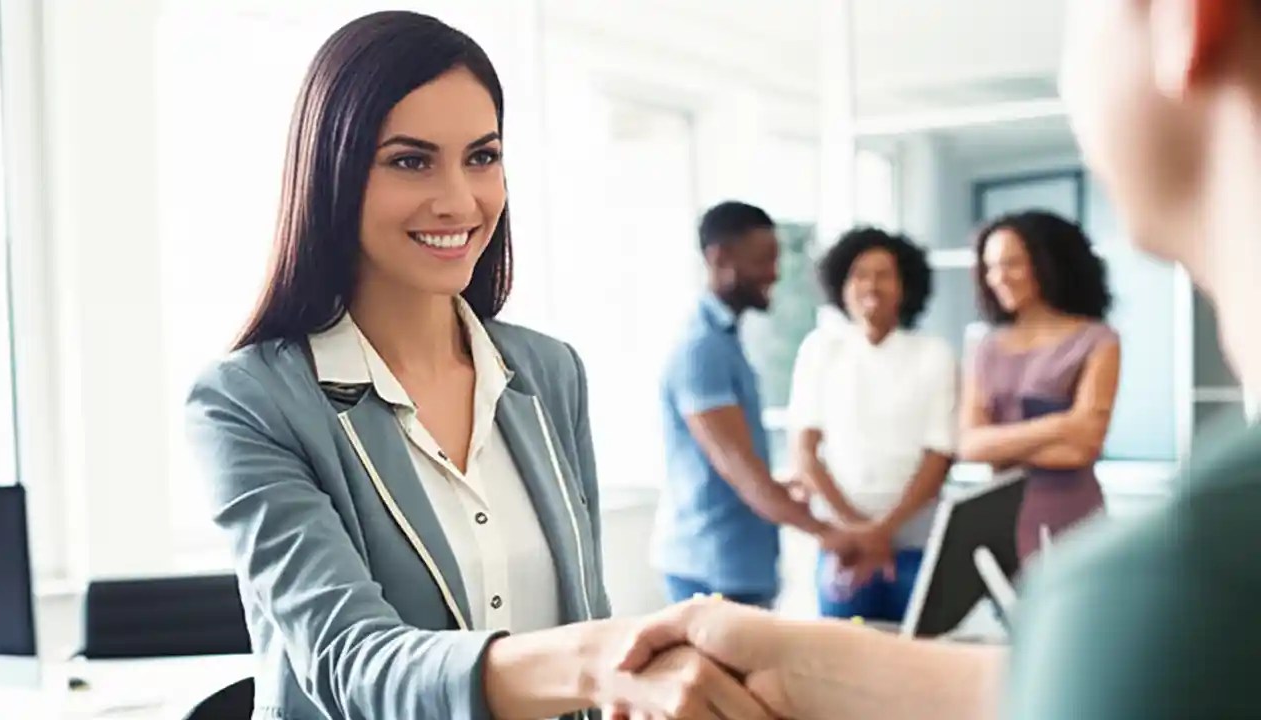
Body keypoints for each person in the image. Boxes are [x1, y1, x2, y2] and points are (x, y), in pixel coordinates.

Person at [617, 0, 1261, 718]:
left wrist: (880, 530)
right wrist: (829, 585)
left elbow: (998, 445)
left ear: (1189, 21)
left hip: (928, 537)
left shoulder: (1155, 592)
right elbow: (972, 449)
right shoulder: (1157, 589)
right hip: (790, 556)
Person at [185, 12, 773, 720]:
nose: (460, 200)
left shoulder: (548, 374)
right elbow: (347, 661)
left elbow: (585, 610)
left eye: (482, 157)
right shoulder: (249, 401)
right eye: (410, 160)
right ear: (334, 173)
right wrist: (596, 665)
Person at [655, 201, 844, 607]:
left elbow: (738, 471)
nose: (774, 273)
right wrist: (832, 535)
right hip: (711, 571)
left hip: (737, 566)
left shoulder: (724, 340)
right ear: (719, 258)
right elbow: (744, 476)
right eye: (763, 260)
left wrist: (782, 487)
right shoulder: (701, 349)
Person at [788, 227, 956, 622]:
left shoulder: (934, 354)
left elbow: (939, 455)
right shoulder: (819, 350)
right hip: (843, 545)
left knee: (914, 661)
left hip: (916, 543)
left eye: (884, 275)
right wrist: (858, 530)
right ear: (842, 284)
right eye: (860, 274)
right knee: (838, 662)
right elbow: (805, 453)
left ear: (905, 286)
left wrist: (884, 530)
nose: (871, 285)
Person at [962, 210, 1121, 561]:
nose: (999, 278)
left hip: (1074, 518)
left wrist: (1002, 445)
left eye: (1012, 264)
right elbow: (970, 444)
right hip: (1000, 518)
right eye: (991, 267)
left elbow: (1082, 448)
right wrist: (1062, 424)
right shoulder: (985, 346)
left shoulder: (1097, 340)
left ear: (1047, 264)